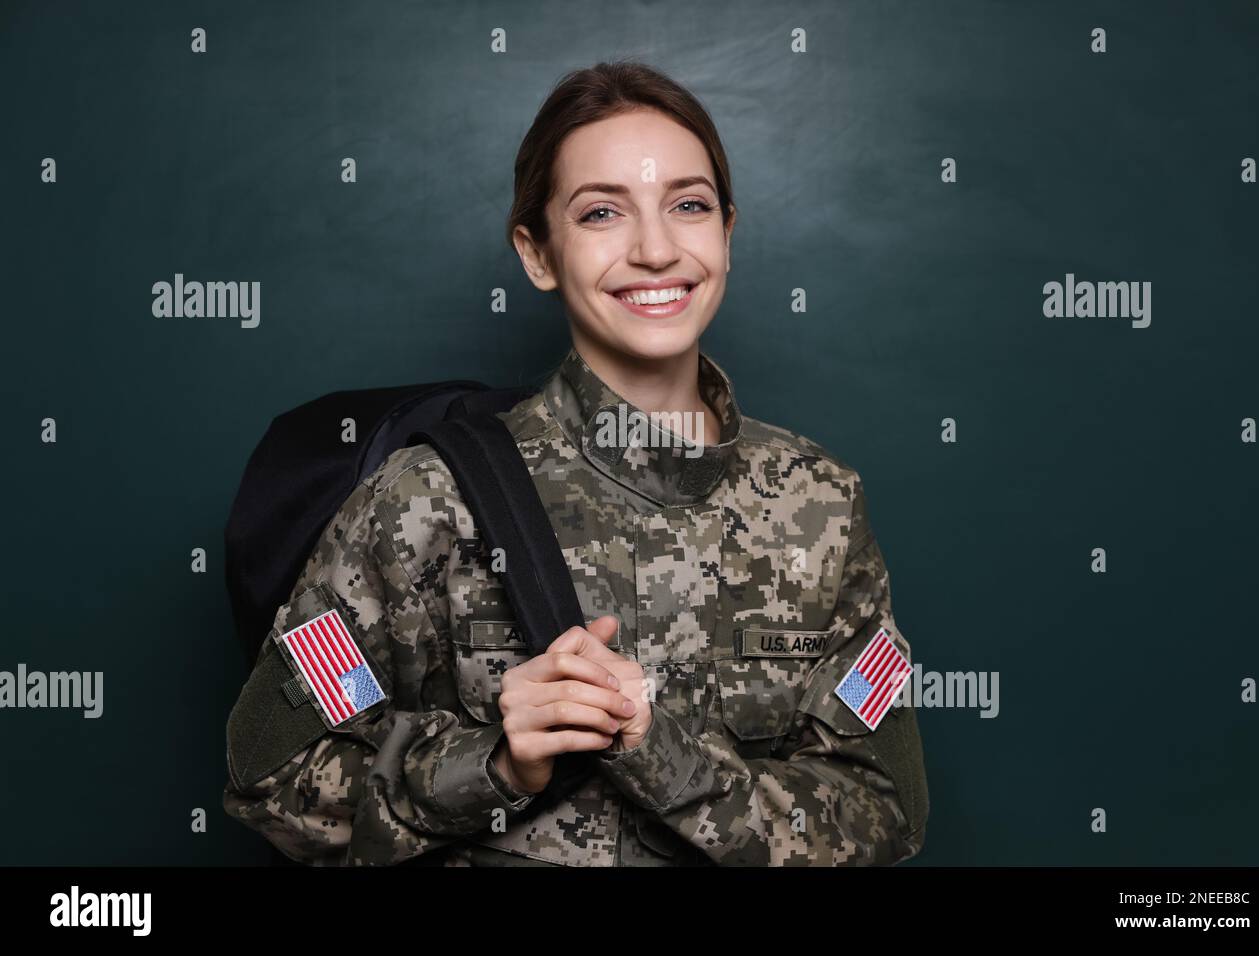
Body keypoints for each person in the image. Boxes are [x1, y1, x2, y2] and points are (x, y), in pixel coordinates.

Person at [222, 59, 930, 866]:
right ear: (538, 253)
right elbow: (269, 777)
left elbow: (885, 809)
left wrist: (663, 756)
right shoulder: (428, 498)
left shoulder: (823, 505)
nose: (656, 249)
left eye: (688, 206)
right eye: (601, 214)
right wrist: (492, 765)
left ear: (726, 234)